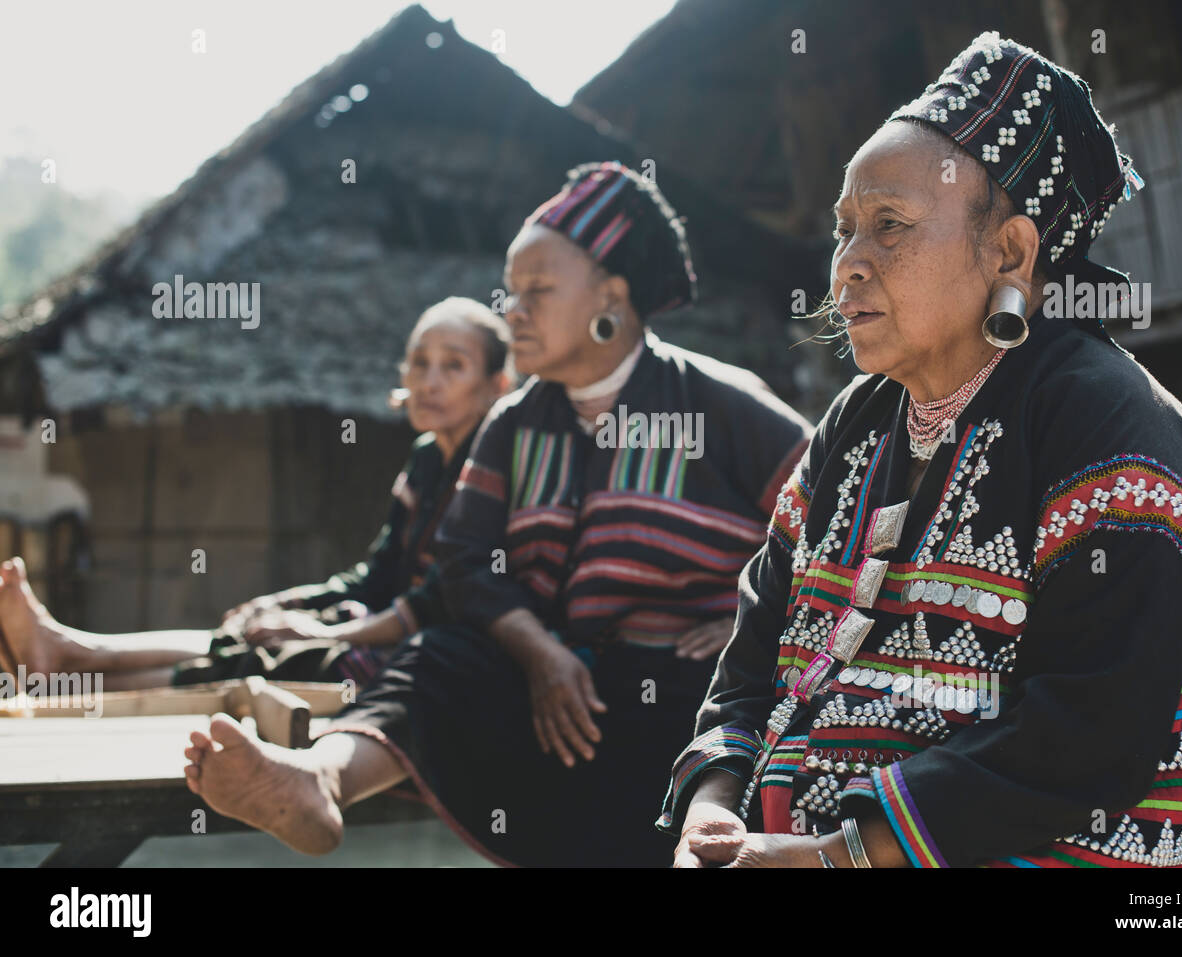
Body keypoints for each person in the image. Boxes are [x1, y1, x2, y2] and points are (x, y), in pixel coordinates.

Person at [662, 32, 1182, 869]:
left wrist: (838, 854)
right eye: (844, 230)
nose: (846, 266)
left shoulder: (1114, 429)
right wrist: (712, 809)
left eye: (888, 227)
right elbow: (753, 654)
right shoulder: (856, 423)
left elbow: (1091, 727)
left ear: (1010, 252)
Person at [180, 161, 814, 867]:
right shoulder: (513, 424)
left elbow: (833, 531)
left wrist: (742, 621)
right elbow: (465, 561)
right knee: (442, 657)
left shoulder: (723, 406)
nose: (513, 309)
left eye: (538, 290)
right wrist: (537, 652)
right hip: (549, 696)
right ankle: (319, 780)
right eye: (510, 292)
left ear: (611, 296)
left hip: (679, 705)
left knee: (691, 706)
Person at [0, 297, 512, 691]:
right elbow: (375, 578)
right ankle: (72, 652)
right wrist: (282, 604)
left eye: (453, 366)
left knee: (272, 661)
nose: (430, 381)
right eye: (419, 364)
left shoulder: (489, 469)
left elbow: (442, 599)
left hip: (438, 652)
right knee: (255, 633)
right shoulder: (427, 459)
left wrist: (327, 634)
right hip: (381, 624)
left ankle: (67, 679)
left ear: (497, 384)